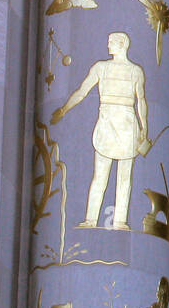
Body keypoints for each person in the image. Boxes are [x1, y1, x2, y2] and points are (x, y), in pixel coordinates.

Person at [52, 32, 148, 230]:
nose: (108, 46)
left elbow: (141, 101)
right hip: (106, 124)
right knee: (100, 176)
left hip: (127, 125)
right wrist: (63, 109)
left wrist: (144, 128)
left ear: (123, 44)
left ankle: (120, 221)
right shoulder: (101, 68)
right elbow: (82, 91)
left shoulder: (135, 71)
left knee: (124, 178)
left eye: (112, 42)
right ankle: (90, 219)